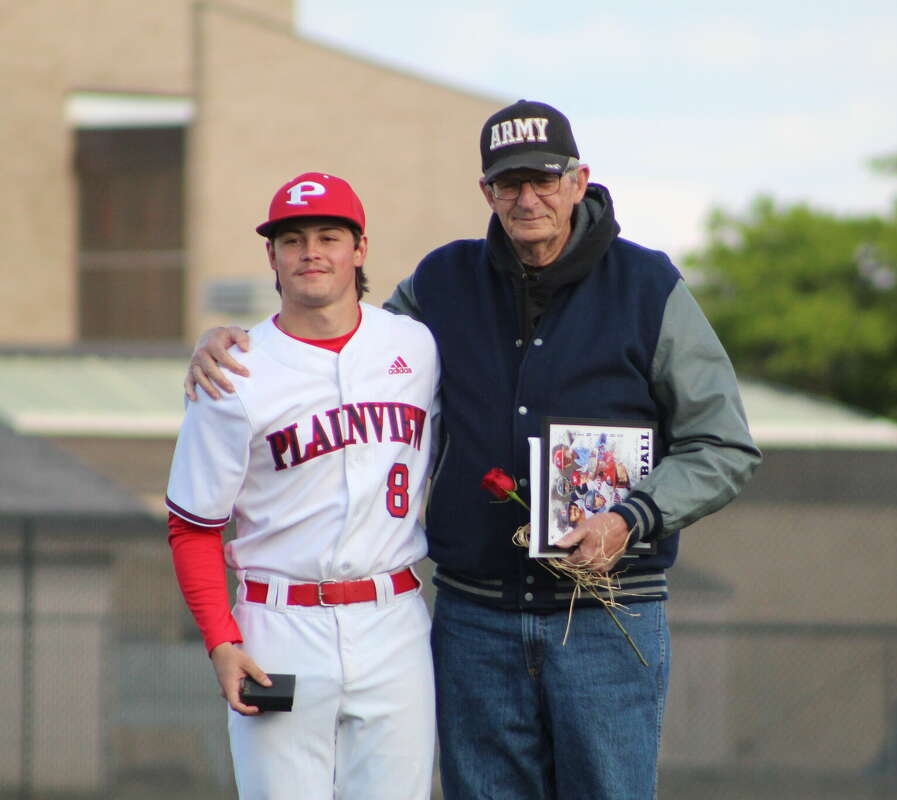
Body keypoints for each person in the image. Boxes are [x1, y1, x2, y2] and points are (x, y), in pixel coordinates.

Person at [187, 101, 761, 800]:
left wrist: (630, 518)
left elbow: (724, 445)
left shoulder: (650, 287)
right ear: (486, 192)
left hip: (605, 620)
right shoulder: (443, 281)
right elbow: (337, 352)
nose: (528, 199)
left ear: (580, 181)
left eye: (544, 179)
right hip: (475, 622)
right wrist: (231, 341)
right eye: (509, 183)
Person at [167, 172, 439, 799]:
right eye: (292, 239)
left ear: (360, 249)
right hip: (278, 626)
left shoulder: (416, 347)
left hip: (392, 619)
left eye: (328, 236)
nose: (311, 252)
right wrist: (220, 641)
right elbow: (192, 526)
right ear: (272, 256)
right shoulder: (233, 371)